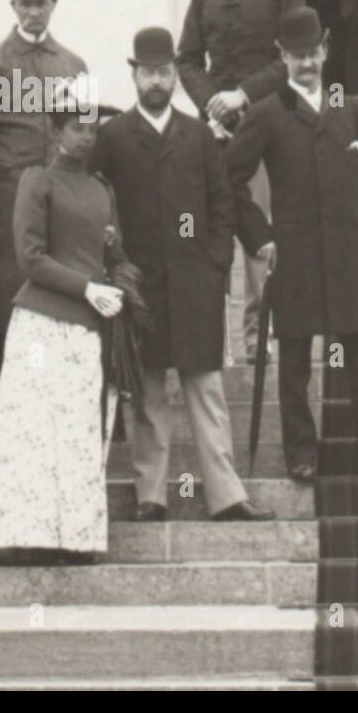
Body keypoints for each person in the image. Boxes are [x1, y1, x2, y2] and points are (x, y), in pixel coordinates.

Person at [224, 7, 358, 483]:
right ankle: (301, 455)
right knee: (294, 360)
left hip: (347, 254)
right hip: (293, 257)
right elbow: (228, 181)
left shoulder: (347, 108)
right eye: (297, 57)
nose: (307, 64)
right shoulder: (268, 113)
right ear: (283, 58)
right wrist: (260, 238)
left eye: (313, 54)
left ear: (326, 50)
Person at [92, 28, 274, 522]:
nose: (156, 80)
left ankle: (226, 495)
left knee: (207, 391)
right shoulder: (111, 139)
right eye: (148, 71)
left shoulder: (199, 137)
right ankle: (150, 494)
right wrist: (117, 268)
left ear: (175, 75)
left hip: (196, 283)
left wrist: (216, 261)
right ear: (134, 74)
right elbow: (99, 205)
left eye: (165, 71)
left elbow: (222, 201)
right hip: (142, 286)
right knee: (148, 393)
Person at [0, 101, 124, 566]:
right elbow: (30, 257)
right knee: (30, 431)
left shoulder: (101, 189)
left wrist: (114, 274)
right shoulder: (38, 181)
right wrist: (86, 287)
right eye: (77, 128)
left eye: (93, 129)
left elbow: (114, 253)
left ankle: (72, 537)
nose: (87, 138)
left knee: (76, 433)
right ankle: (11, 535)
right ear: (56, 132)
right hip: (41, 325)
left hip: (87, 330)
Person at [176, 0, 306, 363]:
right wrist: (211, 103)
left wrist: (243, 97)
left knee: (258, 232)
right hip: (212, 127)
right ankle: (215, 340)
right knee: (207, 229)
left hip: (265, 125)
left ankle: (258, 338)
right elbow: (186, 58)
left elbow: (291, 56)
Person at [0, 0, 88, 391]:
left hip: (60, 203)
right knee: (7, 301)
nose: (33, 12)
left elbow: (86, 137)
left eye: (41, 3)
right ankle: (4, 402)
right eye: (25, 4)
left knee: (57, 300)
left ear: (54, 2)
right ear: (12, 4)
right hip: (5, 206)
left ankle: (54, 399)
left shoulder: (72, 66)